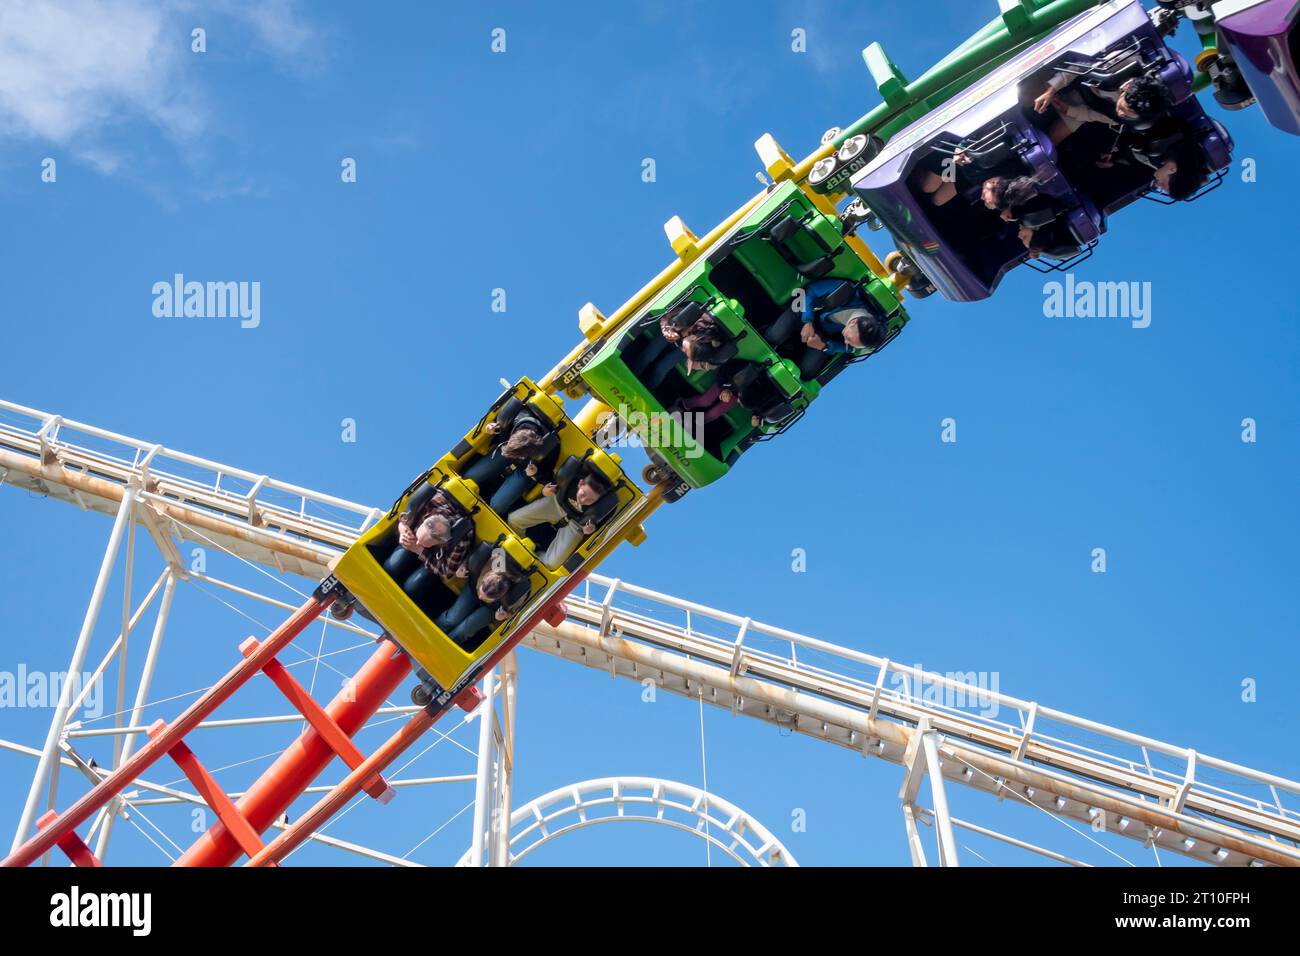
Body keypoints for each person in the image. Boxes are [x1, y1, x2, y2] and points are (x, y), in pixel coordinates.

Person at [381, 487, 475, 612]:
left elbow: (447, 572)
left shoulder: (461, 538)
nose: (419, 542)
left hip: (436, 559)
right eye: (420, 537)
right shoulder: (427, 504)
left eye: (426, 543)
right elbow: (402, 520)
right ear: (424, 521)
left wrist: (419, 549)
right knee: (391, 566)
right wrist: (403, 530)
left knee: (412, 587)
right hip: (418, 545)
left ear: (442, 541)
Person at [461, 401, 559, 513]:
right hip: (506, 451)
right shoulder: (512, 420)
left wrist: (536, 473)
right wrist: (490, 427)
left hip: (527, 469)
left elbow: (548, 476)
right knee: (469, 476)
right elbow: (496, 425)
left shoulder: (549, 448)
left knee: (497, 506)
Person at [507, 467, 615, 568]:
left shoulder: (603, 508)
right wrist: (545, 491)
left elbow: (598, 527)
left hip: (576, 524)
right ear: (580, 483)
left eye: (590, 500)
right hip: (557, 504)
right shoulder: (570, 479)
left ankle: (531, 558)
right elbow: (549, 480)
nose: (582, 501)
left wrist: (589, 530)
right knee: (514, 520)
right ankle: (519, 544)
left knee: (552, 563)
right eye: (583, 494)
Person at [1033, 71, 1174, 145]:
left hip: (1085, 104)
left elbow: (1094, 116)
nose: (1119, 112)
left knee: (1054, 139)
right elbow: (1078, 67)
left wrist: (1069, 110)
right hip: (1070, 80)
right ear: (1126, 88)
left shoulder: (1126, 118)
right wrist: (1051, 91)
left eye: (1126, 114)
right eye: (1122, 107)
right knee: (1034, 96)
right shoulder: (1120, 64)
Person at [435, 546, 529, 648]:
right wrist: (463, 567)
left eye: (484, 596)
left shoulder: (515, 594)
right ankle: (433, 633)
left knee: (463, 630)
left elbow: (513, 611)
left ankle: (443, 647)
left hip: (493, 607)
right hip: (473, 588)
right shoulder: (492, 559)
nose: (480, 597)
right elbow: (471, 557)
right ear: (485, 577)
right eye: (481, 592)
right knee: (452, 619)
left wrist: (503, 615)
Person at [795, 279, 891, 377]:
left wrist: (824, 347)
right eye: (848, 338)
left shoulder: (860, 337)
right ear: (854, 322)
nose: (845, 342)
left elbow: (849, 349)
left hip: (823, 335)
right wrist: (807, 321)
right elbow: (811, 290)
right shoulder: (843, 292)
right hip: (807, 313)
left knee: (807, 371)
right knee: (779, 334)